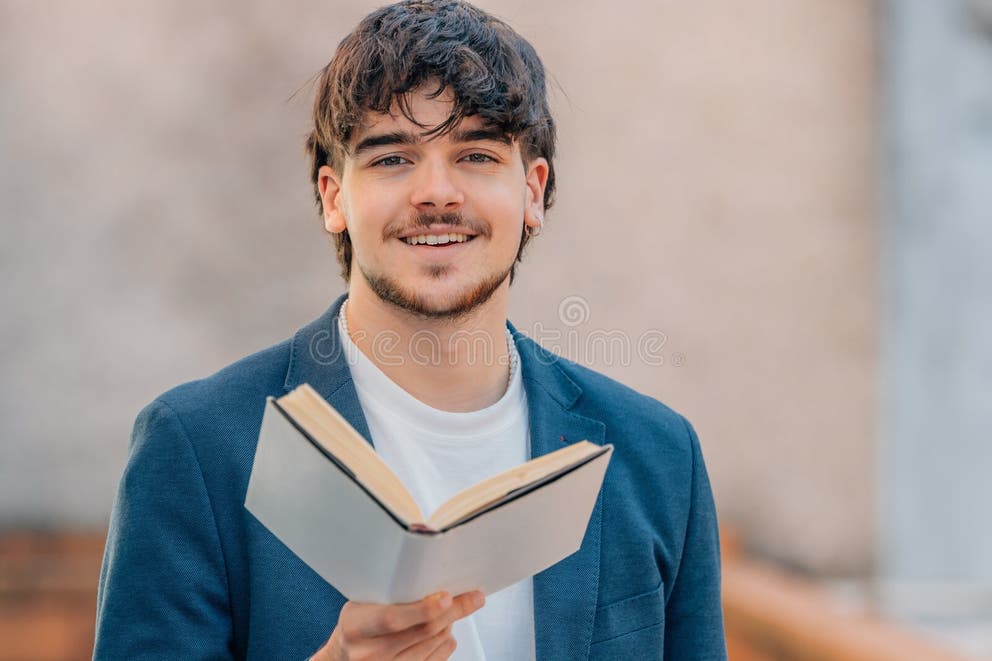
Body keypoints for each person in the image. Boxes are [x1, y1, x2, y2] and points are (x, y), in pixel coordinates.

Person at [93, 1, 727, 659]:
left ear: (533, 192)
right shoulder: (196, 449)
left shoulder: (659, 456)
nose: (436, 192)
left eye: (476, 154)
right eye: (393, 158)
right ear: (334, 197)